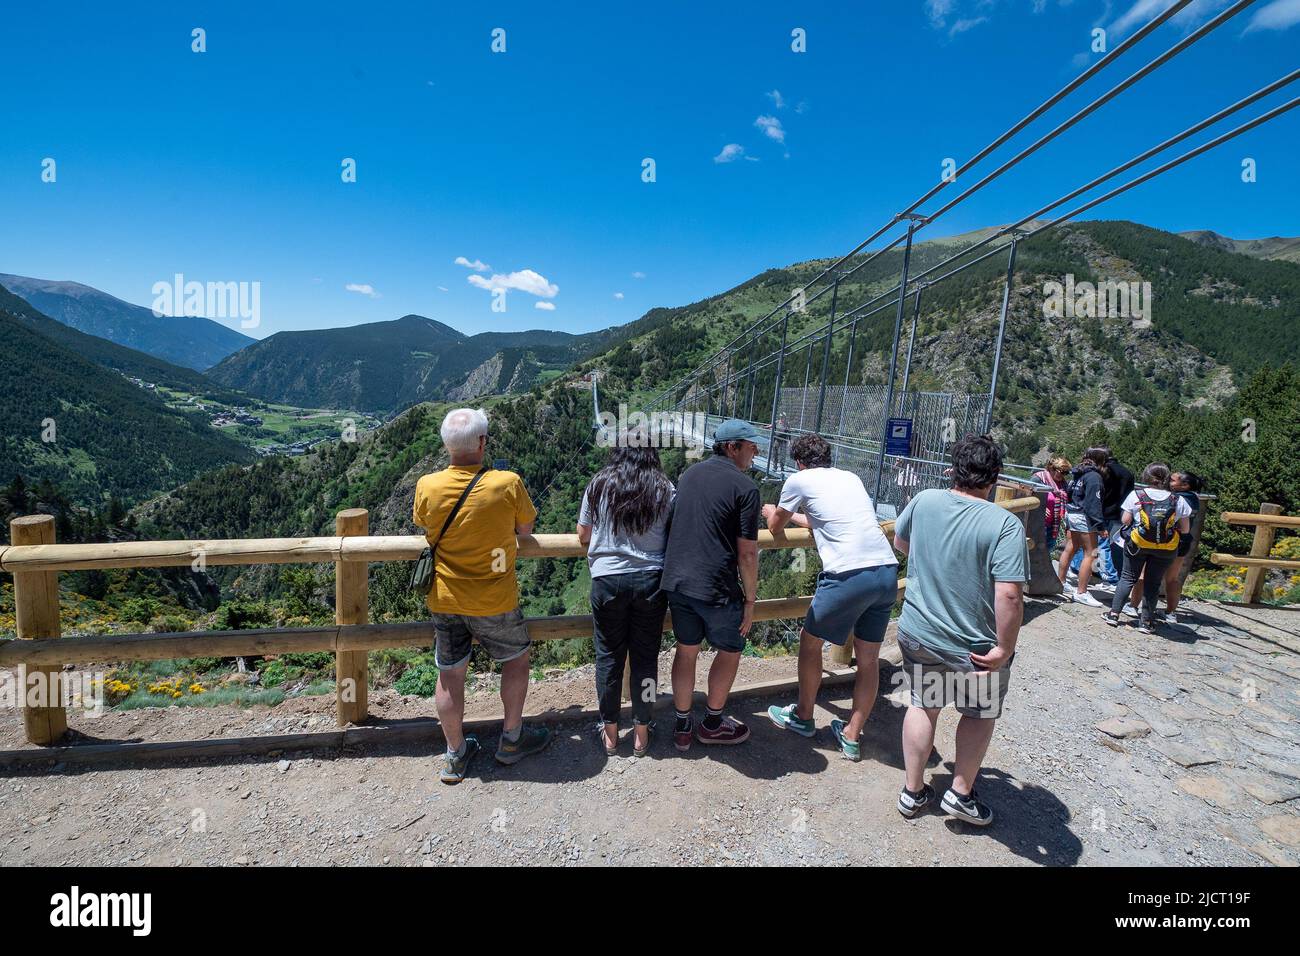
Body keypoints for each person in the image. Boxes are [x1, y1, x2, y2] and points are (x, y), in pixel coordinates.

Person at [892, 434, 1028, 827]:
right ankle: (961, 794)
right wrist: (1004, 648)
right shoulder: (1004, 523)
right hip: (975, 646)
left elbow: (903, 543)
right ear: (995, 478)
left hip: (920, 632)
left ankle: (913, 792)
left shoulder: (924, 500)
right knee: (978, 712)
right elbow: (1010, 597)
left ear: (953, 469)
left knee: (922, 703)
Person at [413, 408, 551, 784]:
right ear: (482, 443)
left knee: (450, 675)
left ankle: (455, 754)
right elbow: (526, 527)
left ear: (446, 445)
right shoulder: (506, 482)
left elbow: (424, 526)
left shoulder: (427, 485)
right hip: (495, 598)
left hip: (446, 598)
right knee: (516, 660)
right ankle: (511, 739)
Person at [762, 434, 899, 761]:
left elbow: (775, 526)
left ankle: (804, 717)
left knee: (810, 642)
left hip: (847, 575)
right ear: (828, 458)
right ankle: (851, 736)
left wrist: (771, 510)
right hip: (886, 570)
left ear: (798, 462)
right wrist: (800, 517)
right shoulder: (850, 478)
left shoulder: (797, 480)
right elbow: (825, 518)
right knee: (868, 660)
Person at [660, 419, 764, 750]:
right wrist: (750, 601)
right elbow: (747, 554)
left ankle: (681, 727)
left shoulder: (689, 475)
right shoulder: (746, 488)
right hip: (716, 587)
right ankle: (713, 724)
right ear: (732, 447)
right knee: (731, 650)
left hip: (677, 581)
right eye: (750, 446)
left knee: (687, 651)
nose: (755, 452)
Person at [576, 435, 675, 757]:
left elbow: (583, 535)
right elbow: (672, 536)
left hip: (607, 581)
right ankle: (642, 733)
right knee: (646, 659)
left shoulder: (599, 484)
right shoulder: (665, 488)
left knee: (608, 657)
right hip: (650, 582)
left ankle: (610, 734)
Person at [1104, 463, 1192, 634]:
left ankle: (1114, 614)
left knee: (1128, 577)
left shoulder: (1137, 495)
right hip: (1165, 548)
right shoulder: (1178, 500)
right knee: (1153, 582)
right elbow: (1186, 529)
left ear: (1146, 477)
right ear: (1166, 479)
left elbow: (1125, 520)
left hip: (1138, 544)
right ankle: (1146, 622)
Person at [1056, 449, 1108, 607]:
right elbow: (1094, 504)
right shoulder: (1094, 477)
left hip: (1073, 513)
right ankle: (1082, 592)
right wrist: (1100, 526)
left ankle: (1060, 581)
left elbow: (1070, 493)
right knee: (1091, 554)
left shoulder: (1078, 473)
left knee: (1070, 547)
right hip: (1084, 518)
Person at [1161, 471, 1204, 624]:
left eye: (1172, 480)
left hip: (1167, 540)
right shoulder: (1194, 499)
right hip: (1184, 541)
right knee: (1172, 578)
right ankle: (1171, 611)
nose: (1168, 482)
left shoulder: (1177, 499)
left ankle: (1135, 605)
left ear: (1184, 485)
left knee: (1148, 574)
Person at [1100, 446, 1136, 591]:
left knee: (1101, 545)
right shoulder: (1128, 473)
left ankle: (1110, 577)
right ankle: (1115, 575)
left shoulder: (1103, 472)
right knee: (1114, 545)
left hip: (1103, 512)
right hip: (1121, 514)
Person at [1032, 456, 1071, 554]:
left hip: (1053, 525)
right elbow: (1026, 495)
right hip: (1038, 523)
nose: (1062, 475)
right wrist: (1040, 507)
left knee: (1046, 552)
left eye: (1065, 473)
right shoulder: (1039, 478)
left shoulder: (1063, 484)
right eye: (1060, 471)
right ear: (1051, 468)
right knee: (1035, 552)